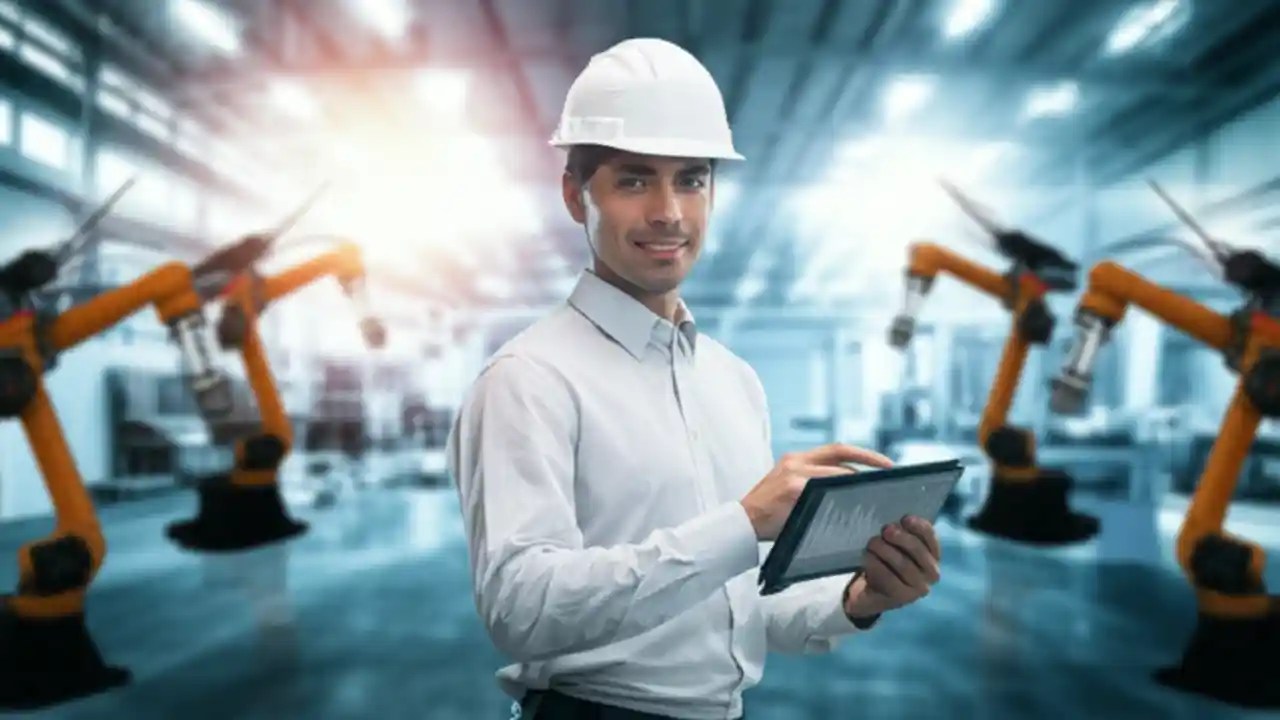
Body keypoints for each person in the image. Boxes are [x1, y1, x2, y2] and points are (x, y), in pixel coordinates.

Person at [446, 38, 944, 720]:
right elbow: (521, 611)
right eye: (633, 179)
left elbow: (737, 610)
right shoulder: (529, 380)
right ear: (574, 194)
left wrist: (857, 599)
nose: (669, 213)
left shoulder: (732, 381)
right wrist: (742, 523)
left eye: (690, 179)